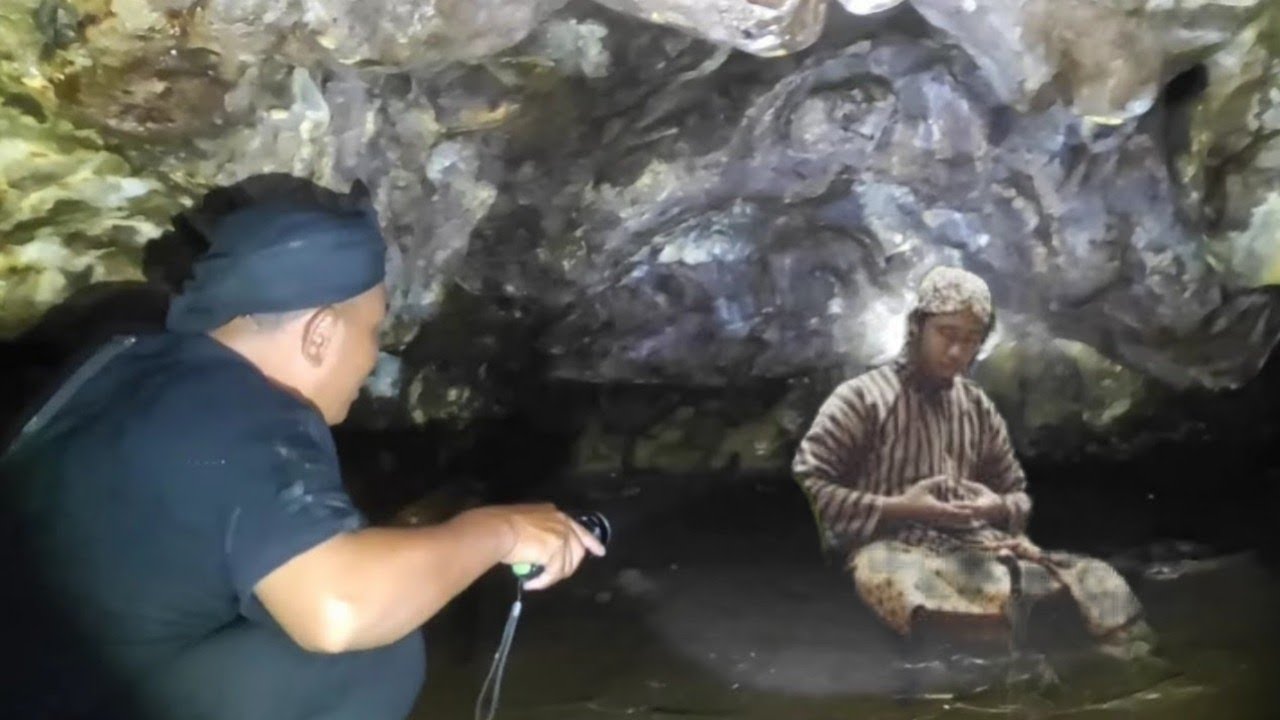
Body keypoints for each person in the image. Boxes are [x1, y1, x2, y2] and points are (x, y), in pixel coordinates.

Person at [0, 197, 605, 720]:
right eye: (374, 332)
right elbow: (338, 611)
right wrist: (499, 531)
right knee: (370, 651)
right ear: (320, 333)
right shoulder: (252, 413)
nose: (373, 360)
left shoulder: (121, 362)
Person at [791, 265, 1155, 661]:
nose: (956, 352)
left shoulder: (977, 406)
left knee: (1097, 579)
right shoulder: (861, 398)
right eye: (946, 334)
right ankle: (998, 661)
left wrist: (995, 507)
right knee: (908, 587)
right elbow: (812, 478)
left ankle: (1131, 667)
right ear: (917, 327)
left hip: (977, 548)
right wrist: (900, 507)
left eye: (970, 341)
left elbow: (1015, 491)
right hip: (895, 549)